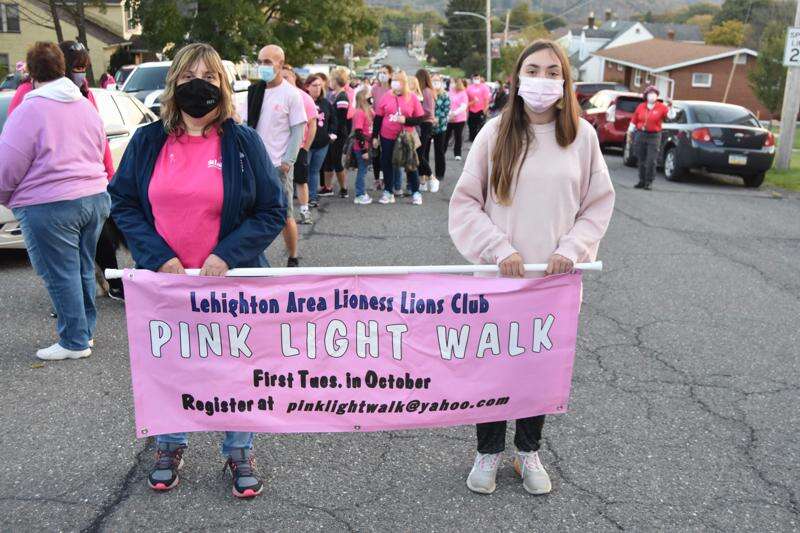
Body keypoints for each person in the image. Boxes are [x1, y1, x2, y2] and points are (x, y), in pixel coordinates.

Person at [108, 42, 286, 499]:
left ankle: (238, 448)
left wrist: (226, 255)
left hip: (230, 284)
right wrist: (157, 256)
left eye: (208, 77)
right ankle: (169, 445)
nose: (198, 86)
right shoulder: (149, 142)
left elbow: (271, 210)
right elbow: (123, 203)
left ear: (223, 86)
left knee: (234, 369)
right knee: (171, 366)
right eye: (188, 77)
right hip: (166, 286)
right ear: (173, 85)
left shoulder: (242, 143)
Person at [448, 39, 615, 496]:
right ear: (518, 77)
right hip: (499, 280)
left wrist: (575, 247)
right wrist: (497, 248)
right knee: (494, 366)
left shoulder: (582, 138)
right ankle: (487, 452)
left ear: (564, 80)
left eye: (551, 71)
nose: (542, 80)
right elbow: (465, 204)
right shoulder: (494, 133)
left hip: (553, 282)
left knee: (537, 367)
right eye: (533, 70)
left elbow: (597, 205)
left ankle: (527, 451)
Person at [0, 42, 110, 361]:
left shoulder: (29, 111)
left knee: (59, 274)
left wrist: (9, 199)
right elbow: (98, 148)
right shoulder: (85, 106)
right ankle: (83, 334)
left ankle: (73, 341)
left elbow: (7, 166)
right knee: (80, 269)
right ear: (62, 68)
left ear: (31, 73)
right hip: (93, 198)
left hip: (50, 204)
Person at [245, 44, 306, 267]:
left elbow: (298, 130)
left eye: (268, 62)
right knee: (249, 214)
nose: (263, 67)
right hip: (254, 165)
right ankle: (252, 258)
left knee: (285, 215)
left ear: (280, 64)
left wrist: (287, 162)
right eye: (260, 62)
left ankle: (293, 256)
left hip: (278, 166)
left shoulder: (291, 94)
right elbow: (245, 125)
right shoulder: (255, 92)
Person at [372, 70, 425, 205]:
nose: (394, 83)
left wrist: (405, 120)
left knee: (410, 163)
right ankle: (388, 192)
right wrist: (375, 136)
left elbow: (420, 118)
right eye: (393, 80)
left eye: (397, 80)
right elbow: (378, 117)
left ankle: (416, 192)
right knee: (387, 162)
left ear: (404, 83)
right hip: (387, 135)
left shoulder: (412, 97)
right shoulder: (386, 96)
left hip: (405, 136)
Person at [282, 64, 318, 224]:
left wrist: (305, 149)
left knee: (301, 180)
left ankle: (304, 211)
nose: (283, 80)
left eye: (286, 77)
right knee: (281, 182)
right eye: (280, 77)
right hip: (279, 149)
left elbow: (312, 125)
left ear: (294, 78)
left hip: (299, 148)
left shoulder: (304, 97)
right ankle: (280, 213)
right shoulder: (276, 96)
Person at [629, 85, 671, 190]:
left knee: (651, 159)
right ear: (646, 96)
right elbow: (634, 120)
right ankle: (641, 180)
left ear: (657, 96)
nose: (652, 96)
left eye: (654, 94)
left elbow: (670, 116)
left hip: (654, 136)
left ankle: (649, 181)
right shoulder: (641, 106)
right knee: (641, 158)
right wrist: (629, 132)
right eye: (650, 94)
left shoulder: (662, 107)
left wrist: (670, 107)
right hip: (640, 134)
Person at [304, 74, 336, 209]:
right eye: (314, 86)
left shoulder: (325, 103)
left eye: (319, 86)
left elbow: (333, 120)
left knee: (314, 171)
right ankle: (301, 196)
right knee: (303, 170)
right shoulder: (302, 101)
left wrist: (331, 135)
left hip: (322, 144)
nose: (317, 89)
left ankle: (312, 197)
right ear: (307, 87)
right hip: (306, 144)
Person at [321, 70, 351, 198]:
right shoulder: (334, 95)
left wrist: (333, 134)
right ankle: (328, 187)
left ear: (336, 81)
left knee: (337, 160)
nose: (330, 82)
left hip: (338, 135)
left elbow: (341, 120)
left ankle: (344, 188)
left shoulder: (342, 97)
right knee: (328, 160)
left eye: (331, 79)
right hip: (332, 133)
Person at [371, 65, 393, 190]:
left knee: (387, 154)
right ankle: (376, 179)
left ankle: (386, 178)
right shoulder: (374, 89)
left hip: (389, 124)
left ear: (390, 74)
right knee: (376, 153)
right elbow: (370, 103)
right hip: (376, 123)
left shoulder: (392, 89)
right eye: (380, 73)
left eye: (384, 72)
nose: (382, 75)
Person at [415, 69, 436, 192]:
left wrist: (416, 114)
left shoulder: (427, 92)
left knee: (419, 154)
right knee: (419, 153)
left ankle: (431, 176)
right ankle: (422, 180)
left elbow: (428, 110)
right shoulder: (421, 92)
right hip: (421, 123)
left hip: (425, 123)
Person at [351, 89, 374, 204]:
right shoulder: (359, 112)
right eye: (369, 96)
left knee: (363, 170)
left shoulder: (368, 111)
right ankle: (359, 194)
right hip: (362, 147)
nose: (371, 98)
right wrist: (364, 149)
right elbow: (358, 132)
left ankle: (361, 192)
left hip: (367, 145)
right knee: (362, 170)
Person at [430, 74, 451, 193]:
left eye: (437, 81)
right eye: (433, 81)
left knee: (439, 151)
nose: (435, 83)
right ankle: (426, 173)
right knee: (425, 150)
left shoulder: (444, 95)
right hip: (428, 126)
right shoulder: (427, 94)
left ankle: (440, 173)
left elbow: (446, 110)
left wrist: (438, 119)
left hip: (441, 127)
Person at [446, 78, 468, 161]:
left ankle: (457, 154)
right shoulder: (449, 92)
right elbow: (447, 104)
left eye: (452, 83)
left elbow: (463, 106)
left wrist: (454, 113)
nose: (451, 84)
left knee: (458, 136)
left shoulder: (463, 93)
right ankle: (442, 151)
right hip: (449, 118)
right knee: (446, 135)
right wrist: (449, 113)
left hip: (459, 118)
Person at [466, 74, 491, 141]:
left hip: (481, 110)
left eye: (478, 78)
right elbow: (466, 99)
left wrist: (485, 110)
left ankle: (480, 140)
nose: (476, 80)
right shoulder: (469, 87)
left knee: (480, 126)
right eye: (475, 78)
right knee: (471, 126)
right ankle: (471, 139)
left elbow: (486, 99)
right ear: (473, 79)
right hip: (471, 110)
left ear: (480, 79)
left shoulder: (484, 87)